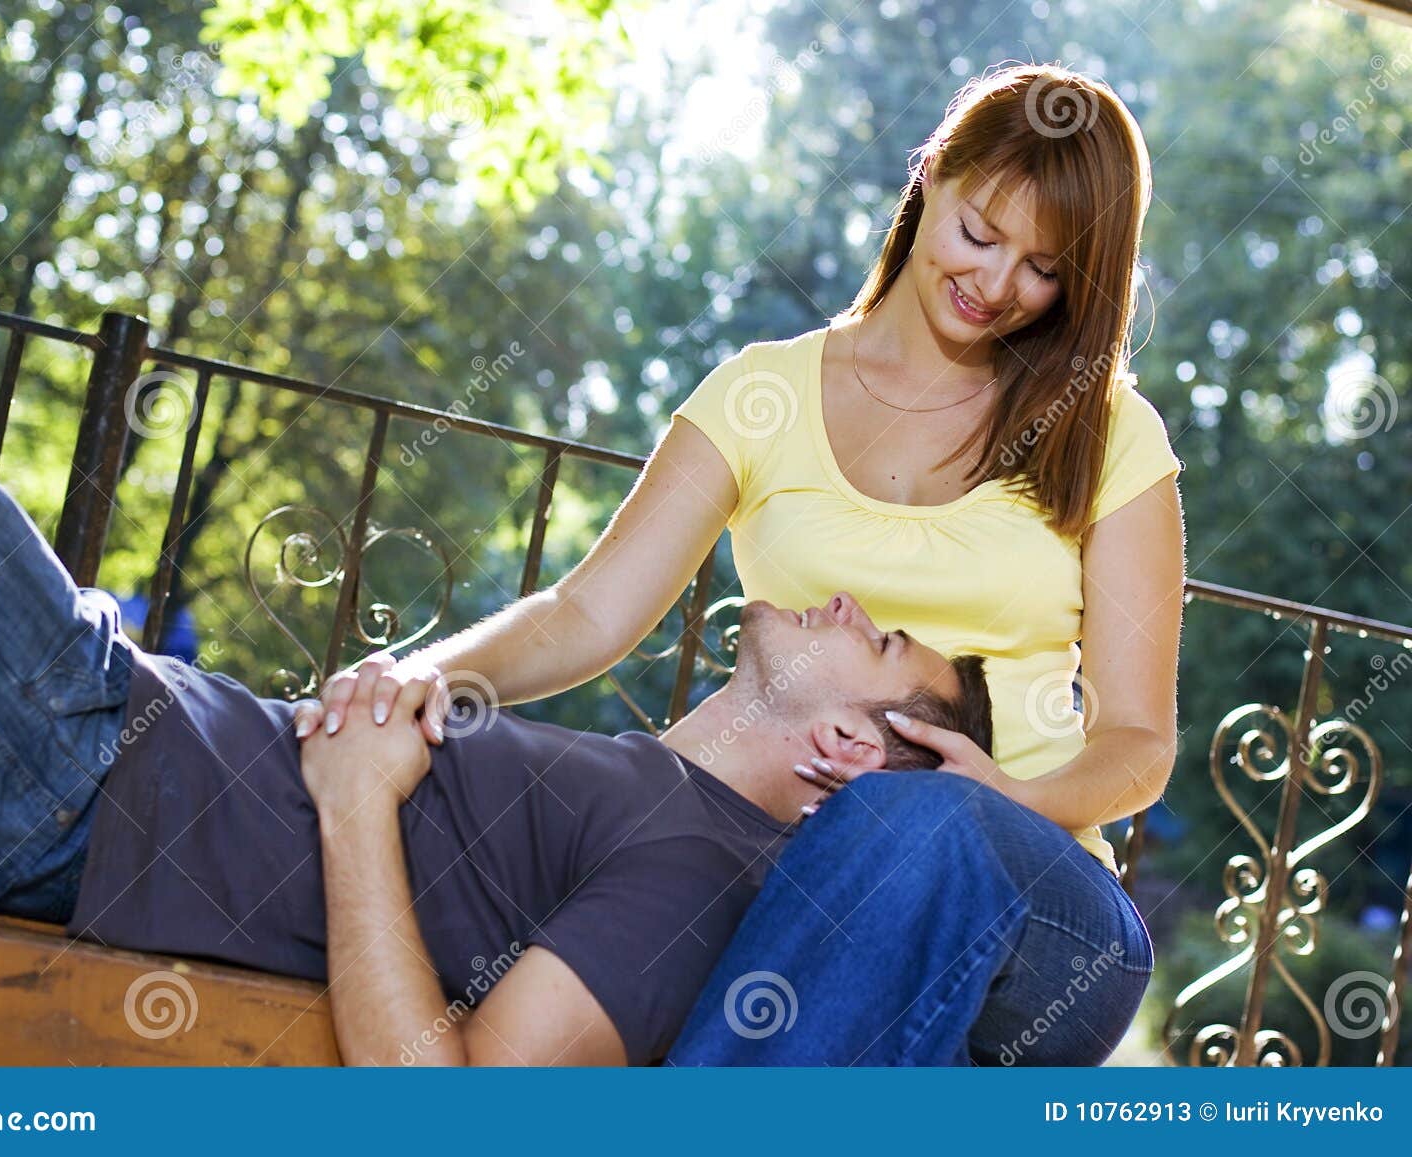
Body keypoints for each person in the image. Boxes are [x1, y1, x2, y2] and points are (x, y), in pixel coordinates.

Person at [0, 303, 991, 1064]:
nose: (845, 601)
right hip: (79, 724)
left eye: (879, 641)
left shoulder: (697, 872)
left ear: (843, 746)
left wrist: (357, 798)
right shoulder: (655, 793)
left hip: (63, 770)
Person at [294, 62, 1182, 1065]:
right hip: (789, 887)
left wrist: (995, 797)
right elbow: (588, 611)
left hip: (1041, 917)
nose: (995, 284)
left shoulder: (1107, 434)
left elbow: (1138, 745)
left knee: (915, 823)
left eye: (1044, 267)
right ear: (931, 176)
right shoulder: (762, 393)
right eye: (980, 233)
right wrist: (425, 675)